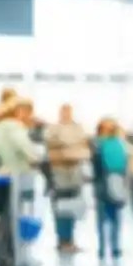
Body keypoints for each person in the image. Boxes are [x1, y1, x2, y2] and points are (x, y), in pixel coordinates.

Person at [0, 97, 41, 266]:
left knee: (5, 217)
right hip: (16, 177)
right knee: (10, 222)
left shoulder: (0, 127)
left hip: (1, 174)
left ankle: (4, 261)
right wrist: (36, 157)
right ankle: (4, 260)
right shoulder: (15, 127)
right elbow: (26, 149)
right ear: (21, 112)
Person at [45, 104, 91, 254]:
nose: (66, 114)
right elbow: (50, 146)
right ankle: (62, 240)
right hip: (59, 175)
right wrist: (65, 147)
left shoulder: (79, 128)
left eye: (68, 111)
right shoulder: (53, 129)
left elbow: (84, 146)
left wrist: (74, 150)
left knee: (72, 208)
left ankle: (70, 240)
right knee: (60, 207)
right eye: (63, 111)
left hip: (74, 174)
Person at [92, 118, 130, 260]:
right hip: (116, 182)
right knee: (114, 217)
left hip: (103, 183)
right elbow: (124, 166)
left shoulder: (97, 146)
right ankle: (114, 247)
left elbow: (96, 167)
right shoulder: (119, 145)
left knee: (103, 218)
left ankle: (103, 248)